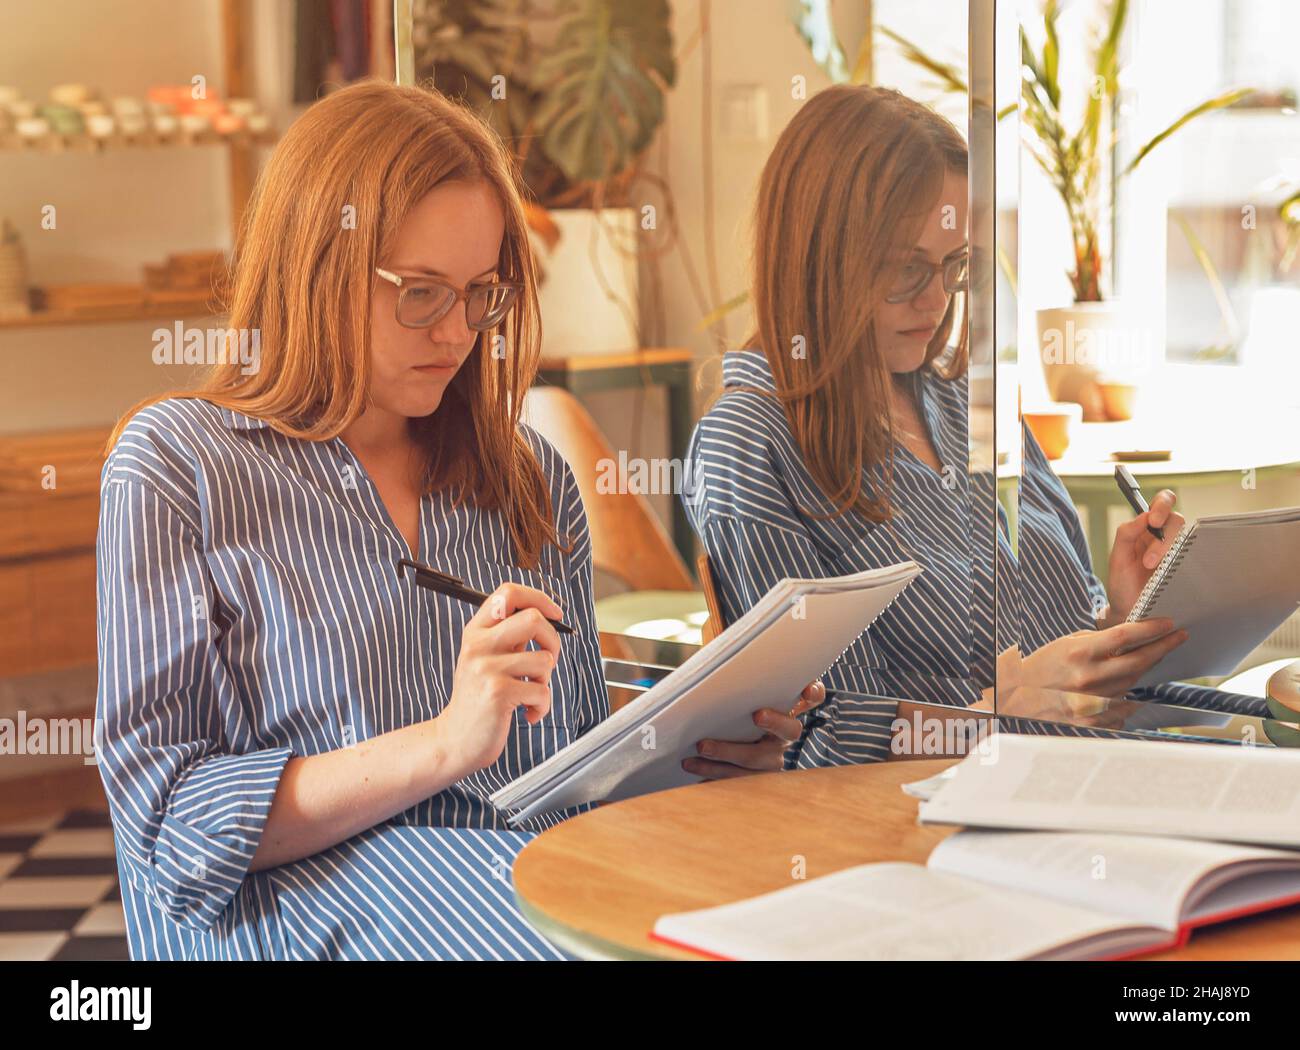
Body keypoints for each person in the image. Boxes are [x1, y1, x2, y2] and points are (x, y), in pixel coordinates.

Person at [95, 80, 823, 961]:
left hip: (523, 883)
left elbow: (572, 786)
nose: (455, 332)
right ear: (313, 265)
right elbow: (169, 828)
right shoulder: (178, 464)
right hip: (297, 912)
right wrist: (445, 742)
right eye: (420, 292)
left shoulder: (526, 478)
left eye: (481, 293)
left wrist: (706, 756)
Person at [682, 84, 1266, 768]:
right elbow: (824, 746)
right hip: (955, 820)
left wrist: (1123, 623)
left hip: (1101, 764)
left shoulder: (967, 403)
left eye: (954, 267)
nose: (935, 300)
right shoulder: (751, 445)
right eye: (906, 269)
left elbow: (1067, 654)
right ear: (821, 257)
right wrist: (1000, 709)